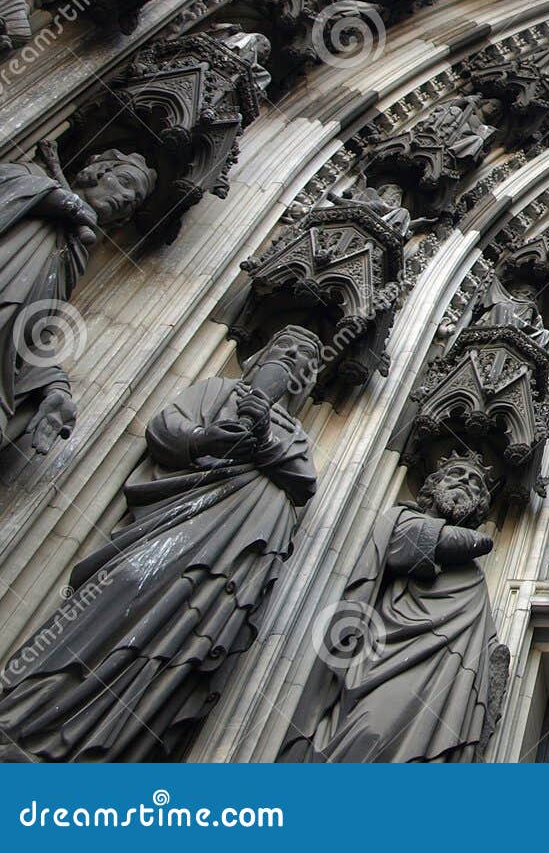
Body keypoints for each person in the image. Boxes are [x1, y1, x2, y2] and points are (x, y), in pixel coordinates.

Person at [0, 327, 323, 761]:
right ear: (262, 353)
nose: (293, 359)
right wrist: (202, 439)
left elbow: (304, 480)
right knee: (122, 591)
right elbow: (165, 427)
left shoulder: (296, 435)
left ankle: (105, 754)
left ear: (308, 381)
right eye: (285, 347)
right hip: (178, 522)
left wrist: (263, 437)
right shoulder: (220, 390)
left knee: (185, 642)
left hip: (238, 557)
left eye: (306, 360)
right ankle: (29, 716)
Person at [282, 455, 506, 762]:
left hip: (442, 680)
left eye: (476, 484)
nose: (466, 482)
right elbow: (458, 542)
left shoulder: (474, 576)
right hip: (388, 657)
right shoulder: (402, 519)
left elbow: (484, 645)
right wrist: (477, 538)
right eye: (456, 474)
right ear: (433, 486)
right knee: (371, 731)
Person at [0, 148, 155, 456]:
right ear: (98, 171)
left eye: (134, 200)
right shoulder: (29, 177)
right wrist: (54, 199)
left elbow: (31, 338)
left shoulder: (74, 255)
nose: (126, 197)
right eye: (125, 182)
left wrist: (53, 387)